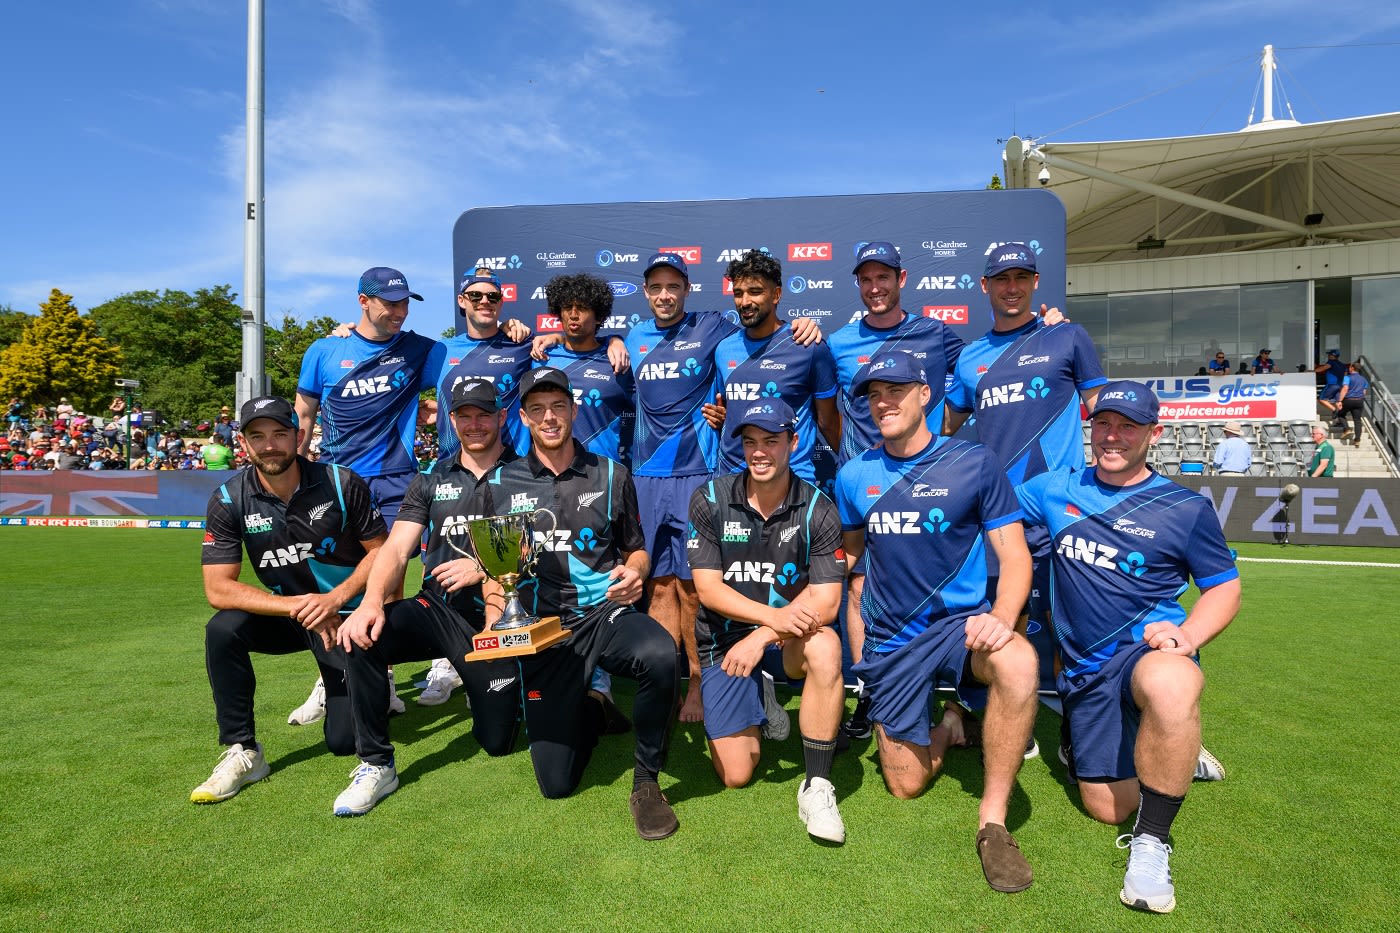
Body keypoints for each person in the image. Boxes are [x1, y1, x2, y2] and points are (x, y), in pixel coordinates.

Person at [1014, 382, 1241, 913]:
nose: (1112, 436)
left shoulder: (1184, 508)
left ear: (1153, 433)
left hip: (1148, 651)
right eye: (1104, 424)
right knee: (1108, 808)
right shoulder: (1053, 489)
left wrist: (1189, 637)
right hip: (1086, 669)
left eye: (1129, 426)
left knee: (1172, 681)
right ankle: (1171, 744)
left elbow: (1224, 586)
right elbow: (991, 508)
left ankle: (1152, 843)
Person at [834, 350, 1040, 893]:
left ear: (926, 394)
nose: (884, 402)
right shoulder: (855, 475)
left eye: (895, 390)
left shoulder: (974, 461)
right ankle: (950, 726)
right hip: (893, 640)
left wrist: (1002, 616)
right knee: (906, 785)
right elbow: (851, 556)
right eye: (874, 395)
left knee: (1019, 660)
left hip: (959, 628)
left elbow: (1015, 556)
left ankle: (992, 823)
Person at [477, 367, 681, 839]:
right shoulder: (500, 483)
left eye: (558, 407)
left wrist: (636, 572)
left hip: (605, 614)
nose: (549, 417)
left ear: (573, 410)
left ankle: (647, 783)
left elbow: (636, 547)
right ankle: (594, 705)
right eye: (537, 409)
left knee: (662, 654)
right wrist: (496, 622)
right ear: (524, 418)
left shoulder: (611, 473)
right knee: (556, 783)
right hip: (544, 630)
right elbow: (495, 569)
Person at [623, 251, 820, 723]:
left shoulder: (715, 327)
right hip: (645, 478)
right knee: (659, 586)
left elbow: (765, 338)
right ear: (646, 292)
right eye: (656, 287)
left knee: (695, 588)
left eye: (674, 286)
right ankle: (662, 684)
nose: (665, 295)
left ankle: (699, 684)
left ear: (688, 289)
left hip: (697, 473)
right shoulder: (630, 337)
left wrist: (806, 322)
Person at [333, 378, 528, 817]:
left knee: (497, 742)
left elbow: (541, 545)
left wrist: (482, 568)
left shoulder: (527, 473)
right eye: (464, 415)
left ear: (501, 417)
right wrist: (369, 604)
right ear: (452, 420)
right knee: (362, 635)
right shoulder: (432, 477)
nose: (474, 424)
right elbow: (397, 549)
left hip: (500, 620)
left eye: (484, 414)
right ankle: (377, 764)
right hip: (437, 609)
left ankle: (501, 690)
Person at [941, 241, 1106, 756]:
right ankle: (1005, 714)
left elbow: (1102, 412)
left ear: (1035, 282)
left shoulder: (1067, 336)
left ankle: (1083, 726)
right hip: (998, 516)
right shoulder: (970, 357)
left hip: (1062, 511)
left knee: (1076, 622)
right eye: (1001, 279)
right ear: (985, 286)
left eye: (1021, 277)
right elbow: (946, 425)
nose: (1011, 288)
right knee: (1001, 619)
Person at [191, 396, 387, 807]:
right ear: (243, 443)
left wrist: (334, 600)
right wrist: (299, 607)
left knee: (343, 741)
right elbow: (218, 589)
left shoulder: (340, 481)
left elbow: (382, 554)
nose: (270, 445)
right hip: (293, 615)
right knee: (223, 629)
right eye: (257, 436)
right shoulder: (229, 498)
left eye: (280, 434)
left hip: (344, 617)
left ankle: (365, 678)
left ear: (298, 437)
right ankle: (243, 750)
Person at [687, 400, 848, 843]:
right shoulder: (711, 498)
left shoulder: (819, 508)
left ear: (793, 444)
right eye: (751, 441)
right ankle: (760, 697)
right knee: (736, 774)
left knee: (827, 645)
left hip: (785, 639)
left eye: (771, 441)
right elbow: (709, 591)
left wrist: (763, 634)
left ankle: (816, 785)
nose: (759, 452)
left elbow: (828, 602)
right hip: (725, 640)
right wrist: (770, 620)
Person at [826, 241, 966, 739]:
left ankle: (950, 689)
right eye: (865, 279)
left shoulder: (935, 333)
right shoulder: (838, 342)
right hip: (865, 486)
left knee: (930, 583)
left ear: (901, 280)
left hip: (928, 484)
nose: (875, 287)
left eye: (883, 277)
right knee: (861, 584)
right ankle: (869, 690)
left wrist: (1046, 324)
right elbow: (828, 415)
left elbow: (973, 382)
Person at [291, 266, 442, 723]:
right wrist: (294, 478)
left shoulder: (419, 349)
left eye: (404, 303)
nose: (398, 311)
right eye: (389, 303)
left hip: (397, 479)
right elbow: (303, 416)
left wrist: (515, 331)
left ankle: (385, 672)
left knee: (389, 577)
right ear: (363, 301)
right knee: (334, 579)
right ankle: (332, 673)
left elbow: (470, 354)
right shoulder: (323, 350)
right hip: (336, 481)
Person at [701, 250, 842, 484]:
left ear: (776, 294)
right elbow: (724, 409)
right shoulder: (724, 349)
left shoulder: (807, 346)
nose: (745, 302)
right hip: (732, 481)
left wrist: (857, 467)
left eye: (755, 292)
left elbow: (828, 422)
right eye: (738, 293)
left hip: (792, 482)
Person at [434, 269, 537, 461]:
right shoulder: (439, 351)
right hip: (453, 471)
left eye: (492, 296)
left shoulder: (522, 344)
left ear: (501, 301)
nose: (484, 301)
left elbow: (569, 349)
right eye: (475, 295)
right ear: (461, 301)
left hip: (512, 469)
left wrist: (611, 342)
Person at [539, 272, 635, 465]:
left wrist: (614, 339)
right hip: (549, 474)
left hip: (603, 470)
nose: (573, 315)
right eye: (567, 308)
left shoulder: (617, 361)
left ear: (599, 316)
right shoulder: (541, 357)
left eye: (582, 308)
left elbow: (649, 412)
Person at [1333, 362, 1369, 445]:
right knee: (1357, 420)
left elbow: (1345, 389)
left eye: (1350, 367)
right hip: (1359, 401)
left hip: (1349, 400)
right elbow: (1364, 391)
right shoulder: (1363, 379)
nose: (1349, 368)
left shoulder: (1347, 377)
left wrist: (1339, 401)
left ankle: (1346, 429)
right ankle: (1357, 440)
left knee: (1340, 414)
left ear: (1352, 368)